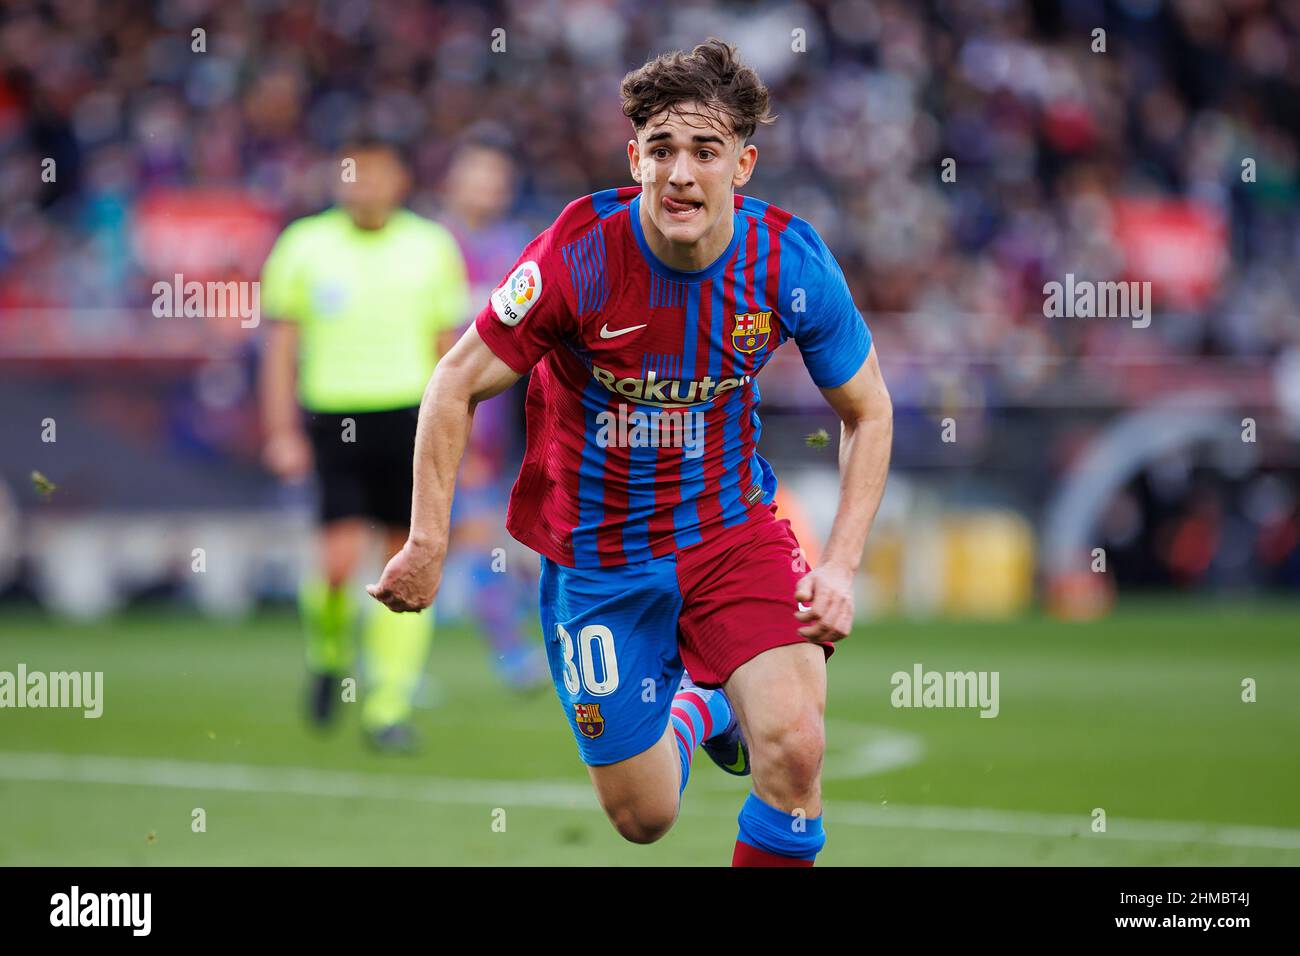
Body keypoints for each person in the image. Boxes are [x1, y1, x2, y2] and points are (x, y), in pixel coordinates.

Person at [368, 39, 893, 865]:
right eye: (663, 150)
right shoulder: (577, 255)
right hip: (601, 558)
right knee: (644, 817)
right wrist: (429, 541)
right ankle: (700, 708)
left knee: (794, 749)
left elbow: (868, 410)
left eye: (706, 152)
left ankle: (729, 699)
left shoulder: (789, 263)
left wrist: (841, 565)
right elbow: (454, 384)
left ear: (743, 165)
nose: (682, 172)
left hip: (731, 532)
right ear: (634, 158)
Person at [259, 137, 467, 751]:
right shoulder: (304, 244)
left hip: (410, 417)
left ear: (399, 179)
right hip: (332, 418)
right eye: (352, 173)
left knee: (406, 559)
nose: (362, 185)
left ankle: (387, 708)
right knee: (337, 563)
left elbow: (449, 354)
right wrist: (279, 430)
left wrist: (461, 434)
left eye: (375, 173)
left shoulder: (430, 246)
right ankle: (328, 653)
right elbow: (280, 348)